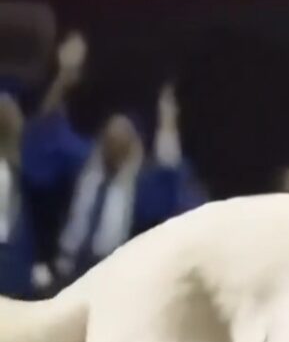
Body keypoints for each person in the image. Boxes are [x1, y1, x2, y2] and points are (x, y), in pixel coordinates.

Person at [54, 82, 204, 281]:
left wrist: (168, 120)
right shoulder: (81, 167)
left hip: (110, 278)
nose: (115, 141)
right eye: (111, 134)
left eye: (124, 135)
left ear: (136, 145)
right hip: (64, 270)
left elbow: (171, 171)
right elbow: (50, 134)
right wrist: (64, 80)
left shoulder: (142, 187)